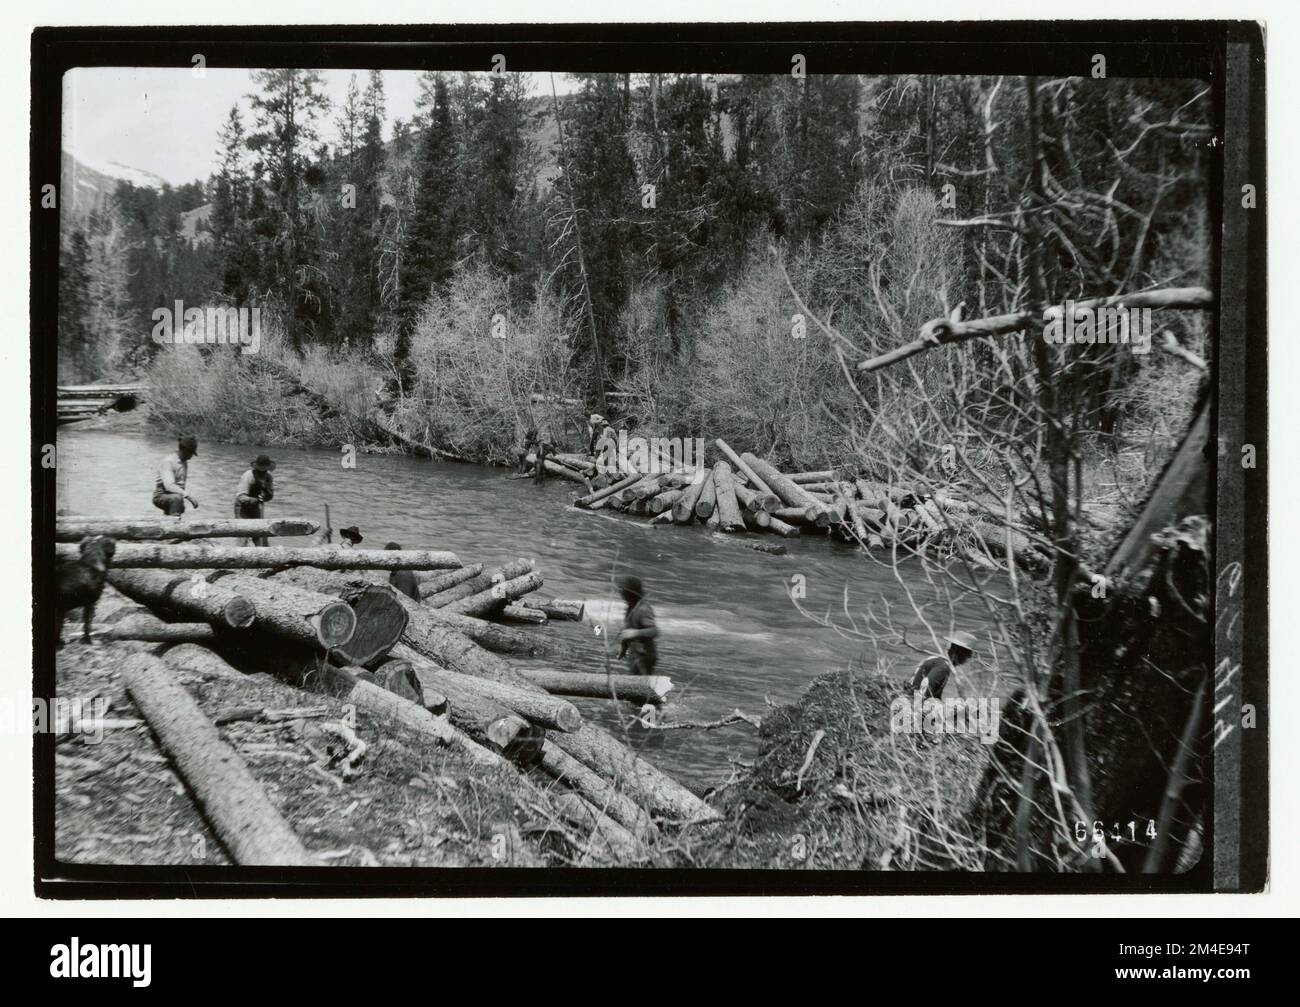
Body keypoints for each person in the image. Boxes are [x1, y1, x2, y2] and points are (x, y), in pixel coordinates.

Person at [908, 631, 976, 700]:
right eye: (968, 654)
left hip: (911, 696)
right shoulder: (943, 667)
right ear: (959, 652)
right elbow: (925, 689)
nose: (969, 657)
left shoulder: (937, 659)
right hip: (915, 701)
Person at [616, 575, 659, 676]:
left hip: (645, 655)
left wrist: (636, 633)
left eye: (623, 592)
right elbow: (628, 631)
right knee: (634, 679)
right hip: (635, 653)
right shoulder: (630, 608)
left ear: (630, 593)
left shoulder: (643, 609)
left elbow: (654, 631)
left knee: (642, 683)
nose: (620, 594)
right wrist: (623, 648)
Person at [234, 454, 275, 546]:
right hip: (243, 507)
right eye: (260, 470)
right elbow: (241, 497)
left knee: (261, 534)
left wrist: (266, 496)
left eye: (264, 470)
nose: (262, 473)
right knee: (242, 534)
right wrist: (256, 500)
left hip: (257, 507)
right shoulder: (248, 475)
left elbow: (270, 494)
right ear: (256, 467)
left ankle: (263, 556)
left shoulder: (269, 477)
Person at [152, 435, 199, 515]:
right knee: (176, 499)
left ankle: (169, 520)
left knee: (180, 506)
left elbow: (181, 485)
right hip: (160, 495)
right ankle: (172, 524)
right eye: (191, 453)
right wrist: (189, 497)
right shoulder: (168, 462)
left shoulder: (184, 462)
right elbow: (169, 485)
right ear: (184, 450)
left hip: (175, 496)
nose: (191, 456)